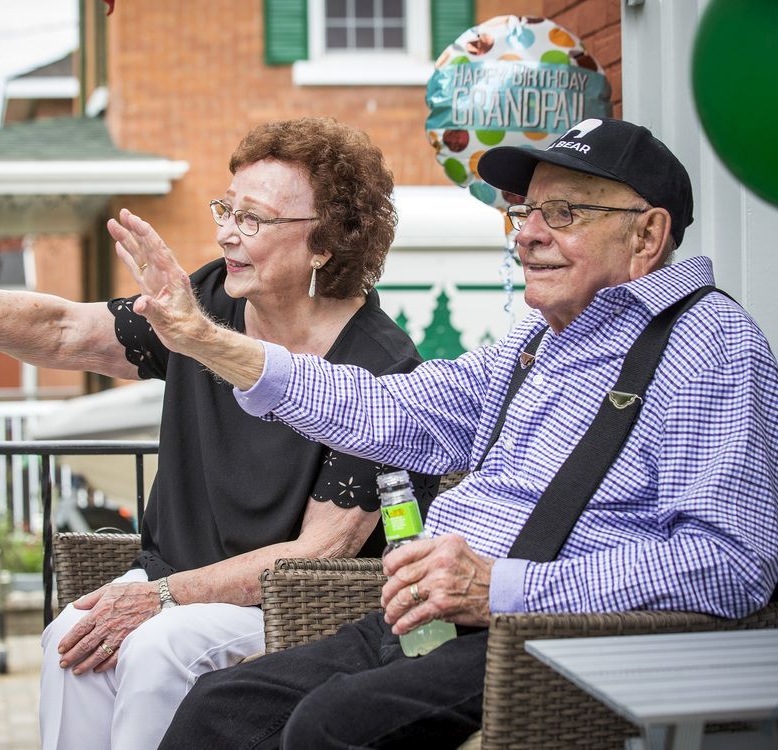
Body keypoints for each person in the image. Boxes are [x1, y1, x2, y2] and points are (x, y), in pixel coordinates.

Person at [101, 117, 778, 750]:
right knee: (225, 704)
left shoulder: (710, 345)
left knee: (328, 727)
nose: (526, 234)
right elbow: (381, 409)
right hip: (428, 618)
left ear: (647, 236)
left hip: (547, 639)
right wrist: (202, 341)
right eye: (524, 211)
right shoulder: (537, 343)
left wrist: (501, 586)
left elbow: (731, 563)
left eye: (562, 213)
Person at [0, 116, 438, 749]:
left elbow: (320, 555)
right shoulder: (207, 302)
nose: (227, 232)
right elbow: (66, 330)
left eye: (253, 219)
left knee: (155, 652)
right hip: (173, 577)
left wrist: (166, 599)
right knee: (71, 636)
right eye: (226, 209)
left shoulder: (378, 366)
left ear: (326, 241)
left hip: (293, 610)